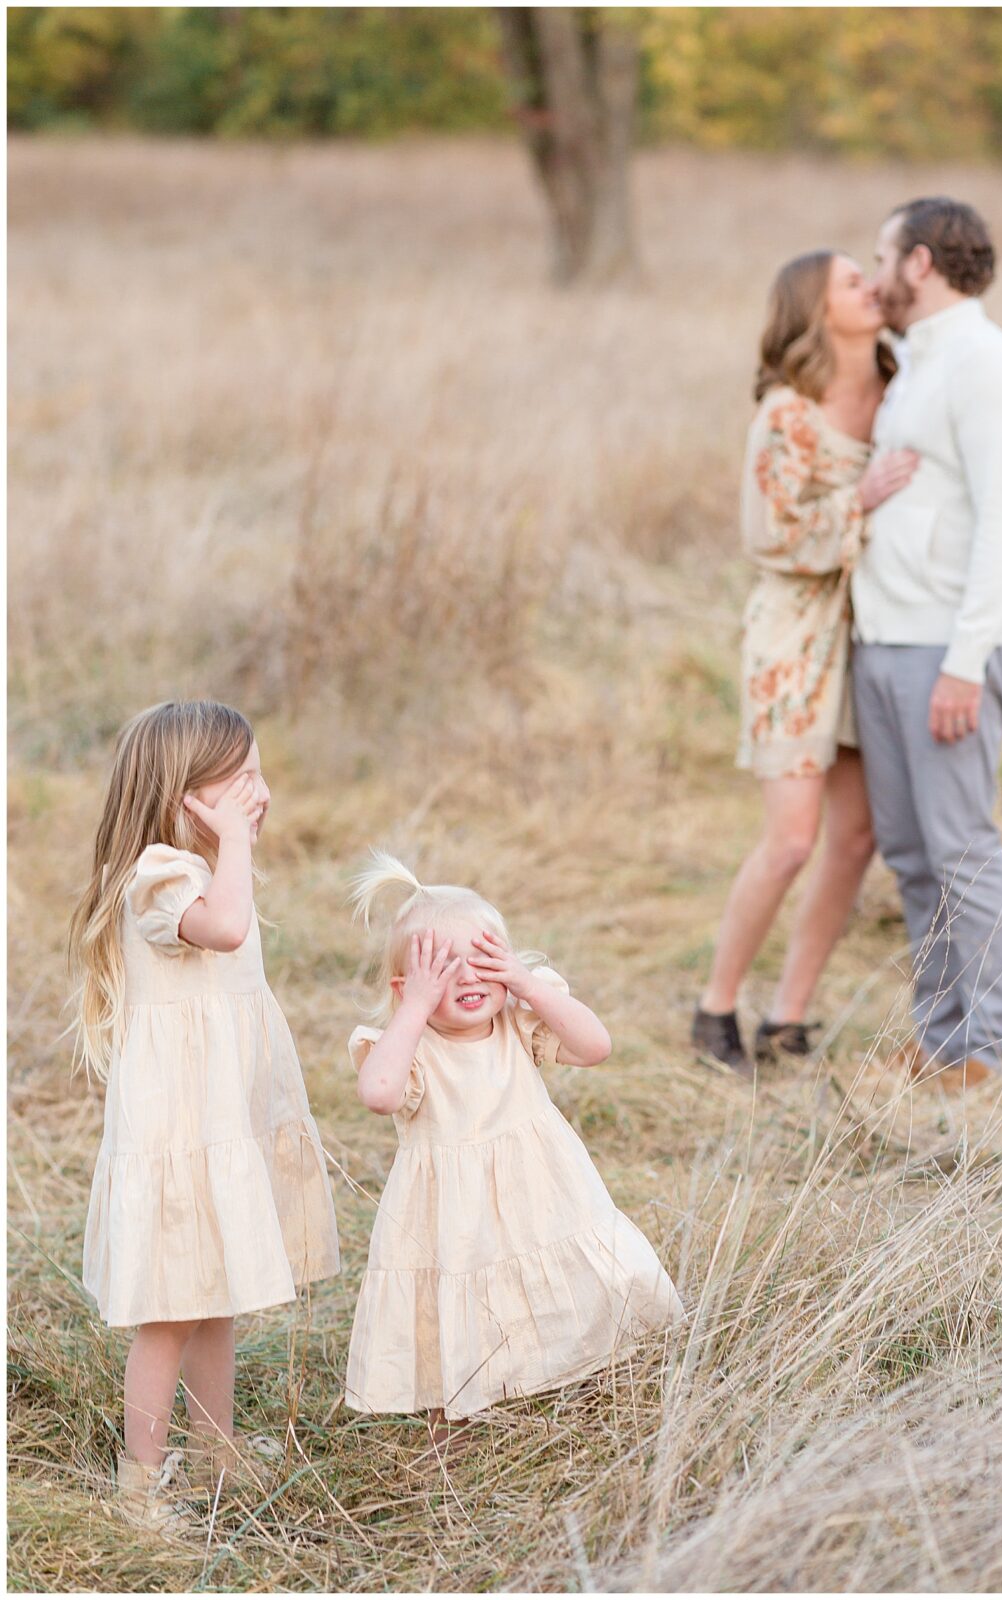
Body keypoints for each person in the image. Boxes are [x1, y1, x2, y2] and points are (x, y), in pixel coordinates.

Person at [69, 700, 340, 1532]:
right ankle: (139, 1485)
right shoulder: (160, 875)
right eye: (242, 779)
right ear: (184, 794)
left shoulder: (202, 865)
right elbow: (223, 930)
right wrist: (236, 843)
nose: (260, 791)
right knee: (171, 1304)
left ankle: (216, 1447)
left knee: (214, 1289)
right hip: (179, 1128)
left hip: (220, 1114)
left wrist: (229, 842)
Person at [344, 852, 683, 1446]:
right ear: (408, 988)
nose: (470, 979)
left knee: (571, 1279)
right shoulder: (410, 1047)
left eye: (485, 962)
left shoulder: (518, 1023)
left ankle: (578, 1378)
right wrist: (414, 1010)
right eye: (445, 970)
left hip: (541, 1192)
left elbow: (595, 1046)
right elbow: (377, 1093)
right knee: (465, 1301)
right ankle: (457, 1415)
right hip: (453, 1217)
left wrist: (525, 984)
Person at [692, 251, 918, 1078]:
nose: (873, 288)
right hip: (794, 639)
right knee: (791, 840)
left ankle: (787, 1017)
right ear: (818, 312)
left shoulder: (902, 385)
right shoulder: (785, 414)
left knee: (854, 837)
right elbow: (771, 538)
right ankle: (714, 1006)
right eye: (853, 283)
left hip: (880, 630)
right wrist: (856, 503)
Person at [853, 197, 1002, 1088]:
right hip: (884, 639)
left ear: (919, 263)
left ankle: (994, 1052)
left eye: (881, 256)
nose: (874, 273)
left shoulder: (983, 362)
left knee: (960, 850)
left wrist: (965, 662)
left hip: (945, 651)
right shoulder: (914, 363)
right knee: (912, 855)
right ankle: (939, 1036)